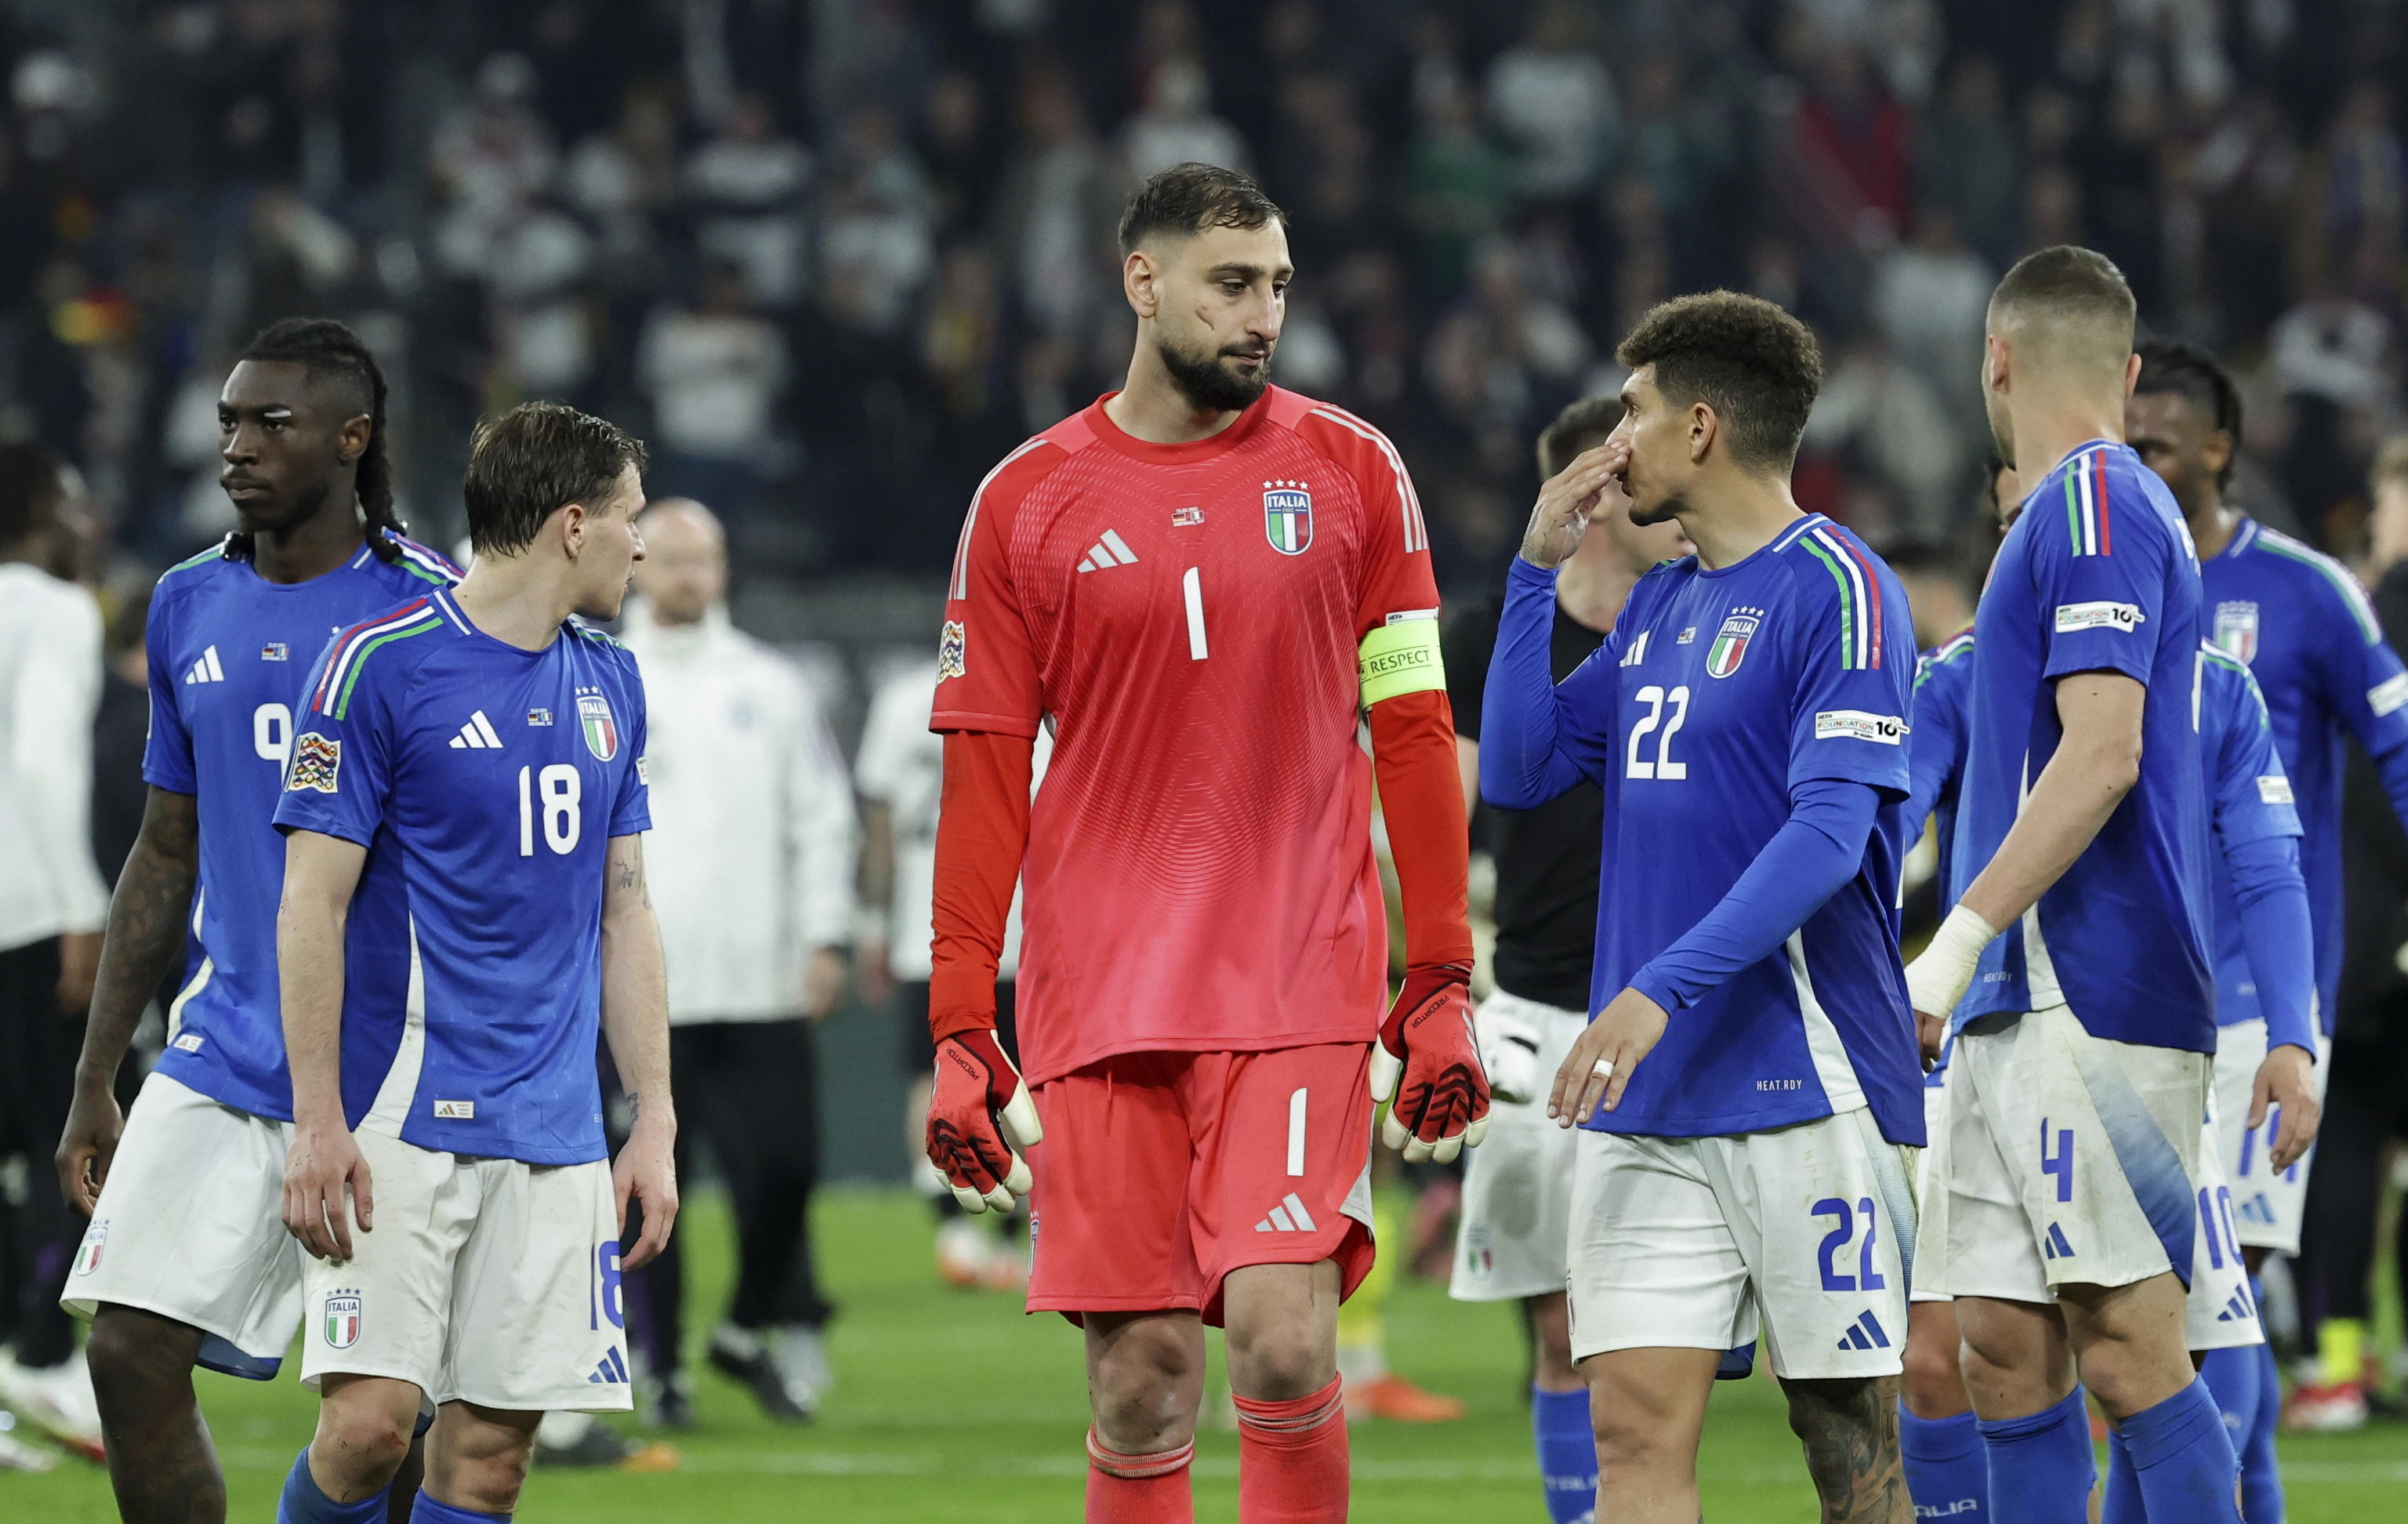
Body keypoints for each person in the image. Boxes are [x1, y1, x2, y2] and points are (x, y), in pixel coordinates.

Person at [923, 161, 1486, 1524]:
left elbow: (1412, 732)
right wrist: (958, 1019)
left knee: (1285, 1340)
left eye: (1278, 286)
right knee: (1141, 1379)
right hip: (1099, 991)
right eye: (1233, 283)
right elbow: (987, 774)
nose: (1263, 314)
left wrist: (1442, 981)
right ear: (1143, 282)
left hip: (1297, 973)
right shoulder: (1024, 499)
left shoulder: (1354, 469)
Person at [1485, 291, 1924, 1524]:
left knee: (1846, 1441)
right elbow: (1520, 769)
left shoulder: (1840, 587)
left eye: (1628, 413)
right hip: (1651, 1097)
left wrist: (1652, 991)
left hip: (1807, 1078)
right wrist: (1534, 567)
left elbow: (1831, 835)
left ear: (1700, 425)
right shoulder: (1663, 603)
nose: (1608, 442)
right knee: (1628, 1432)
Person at [49, 321, 459, 1522]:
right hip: (223, 1043)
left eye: (271, 423)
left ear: (353, 436)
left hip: (399, 1062)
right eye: (231, 421)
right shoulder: (185, 602)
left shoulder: (435, 614)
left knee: (393, 1420)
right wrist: (96, 1076)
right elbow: (165, 847)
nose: (238, 446)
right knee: (124, 1352)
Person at [269, 401, 676, 1524]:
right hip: (397, 1114)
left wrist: (653, 1118)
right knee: (367, 1430)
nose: (643, 546)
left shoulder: (613, 683)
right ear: (574, 524)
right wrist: (314, 1117)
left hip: (551, 1128)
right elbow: (312, 901)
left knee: (492, 1461)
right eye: (633, 520)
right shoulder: (377, 668)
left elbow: (626, 911)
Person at [1903, 246, 2257, 1524]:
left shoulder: (2098, 503)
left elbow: (2100, 755)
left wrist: (1949, 941)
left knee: (2125, 1345)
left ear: (1993, 358)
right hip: (2018, 997)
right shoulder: (2067, 511)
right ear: (2116, 369)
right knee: (1998, 1345)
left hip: (2095, 989)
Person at [1441, 391, 1691, 1522]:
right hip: (1535, 1009)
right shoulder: (1488, 638)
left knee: (1654, 1332)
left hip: (1673, 1013)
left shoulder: (1698, 623)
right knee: (1558, 1322)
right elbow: (1442, 823)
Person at [617, 497, 856, 1426]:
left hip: (760, 982)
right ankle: (663, 1366)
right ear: (637, 566)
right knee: (651, 1189)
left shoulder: (773, 683)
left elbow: (821, 819)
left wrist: (825, 934)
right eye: (671, 558)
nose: (689, 575)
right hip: (646, 996)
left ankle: (747, 1327)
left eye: (705, 558)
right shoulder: (606, 676)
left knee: (790, 1168)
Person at [855, 658, 1050, 1292]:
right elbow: (881, 827)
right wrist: (875, 926)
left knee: (970, 1076)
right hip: (962, 918)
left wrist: (874, 927)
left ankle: (981, 1232)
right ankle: (966, 1227)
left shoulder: (905, 698)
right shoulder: (914, 696)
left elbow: (880, 827)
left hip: (997, 919)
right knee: (967, 1076)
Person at [0, 444, 108, 1461]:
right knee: (77, 1133)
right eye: (73, 501)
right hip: (28, 911)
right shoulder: (53, 608)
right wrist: (83, 908)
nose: (88, 520)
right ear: (39, 509)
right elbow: (38, 756)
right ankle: (38, 1350)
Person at [2304, 434, 2408, 1429]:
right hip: (2374, 928)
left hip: (2362, 933)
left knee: (2348, 1145)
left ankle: (2337, 1366)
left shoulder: (2361, 613)